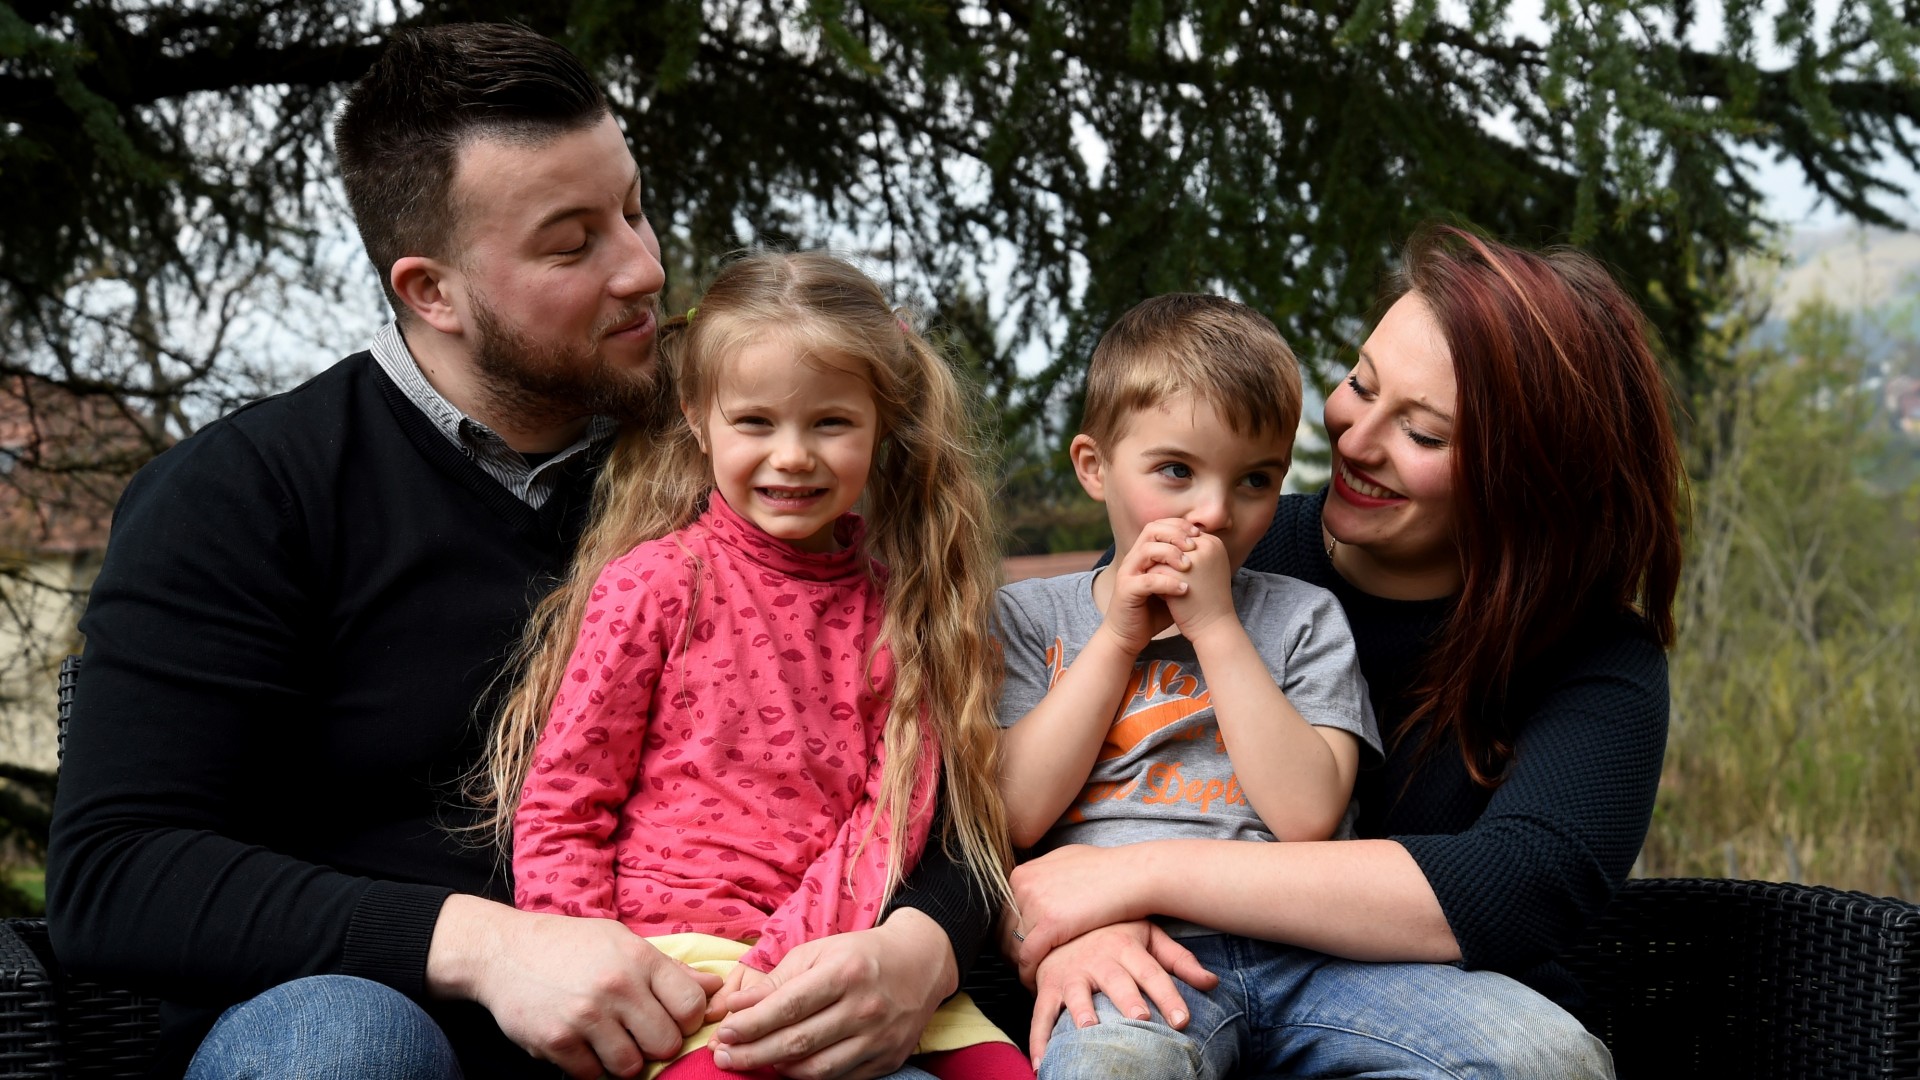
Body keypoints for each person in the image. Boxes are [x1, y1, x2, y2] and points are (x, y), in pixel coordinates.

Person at [44, 25, 991, 1080]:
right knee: (343, 1045)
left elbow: (937, 755)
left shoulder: (756, 454)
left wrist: (925, 943)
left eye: (633, 208)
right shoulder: (246, 492)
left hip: (718, 1009)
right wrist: (492, 947)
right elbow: (115, 872)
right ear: (432, 292)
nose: (644, 266)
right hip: (370, 1019)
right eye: (572, 244)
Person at [1001, 225, 1681, 1079]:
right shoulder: (1216, 556)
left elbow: (1519, 882)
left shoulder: (1590, 654)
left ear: (1525, 477)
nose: (1354, 443)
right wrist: (1056, 928)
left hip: (1390, 1009)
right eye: (1361, 384)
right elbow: (1017, 805)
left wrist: (1128, 877)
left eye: (1423, 435)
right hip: (1157, 983)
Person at [491, 250, 1030, 1080]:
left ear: (881, 422)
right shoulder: (655, 584)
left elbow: (892, 815)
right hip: (679, 964)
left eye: (830, 423)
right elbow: (567, 800)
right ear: (698, 417)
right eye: (755, 422)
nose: (793, 456)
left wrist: (789, 954)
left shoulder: (903, 612)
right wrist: (592, 971)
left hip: (844, 951)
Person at [992, 294, 1382, 1077]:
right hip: (1133, 958)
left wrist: (1217, 629)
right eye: (1176, 471)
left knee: (1542, 1052)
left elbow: (1308, 815)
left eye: (1255, 480)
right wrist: (1118, 638)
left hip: (1315, 954)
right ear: (1094, 467)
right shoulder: (1030, 618)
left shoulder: (1303, 618)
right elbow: (1014, 811)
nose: (1213, 513)